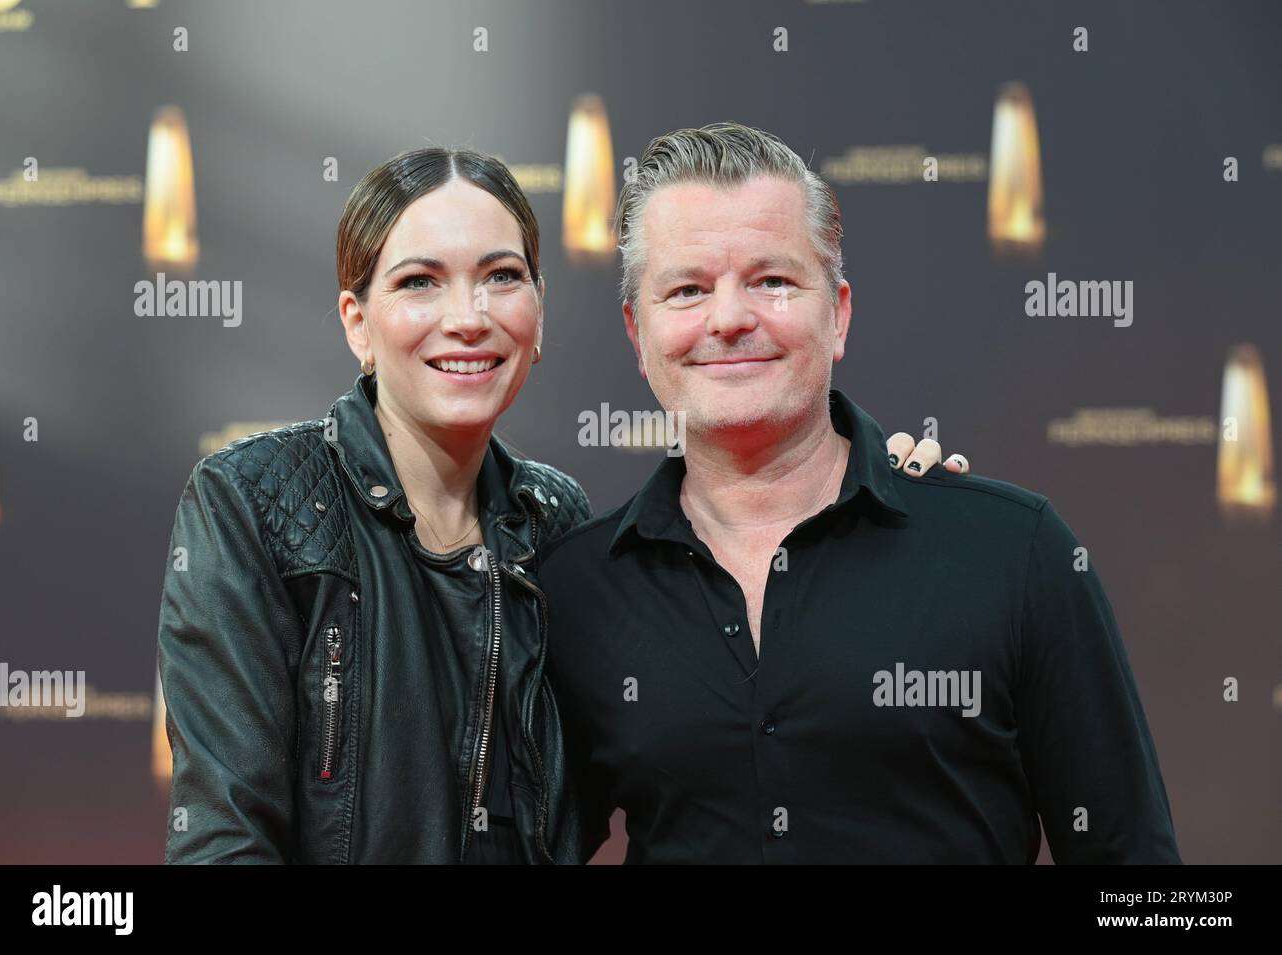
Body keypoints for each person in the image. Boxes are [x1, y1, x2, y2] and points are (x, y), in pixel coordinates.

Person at [155, 143, 969, 864]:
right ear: (358, 323)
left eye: (501, 277)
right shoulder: (257, 500)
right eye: (419, 282)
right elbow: (225, 837)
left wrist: (872, 496)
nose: (467, 318)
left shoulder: (555, 521)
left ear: (538, 316)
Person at [537, 122, 1181, 864]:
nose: (729, 317)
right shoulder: (577, 590)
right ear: (637, 334)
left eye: (772, 281)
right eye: (687, 289)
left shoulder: (1011, 552)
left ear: (837, 313)